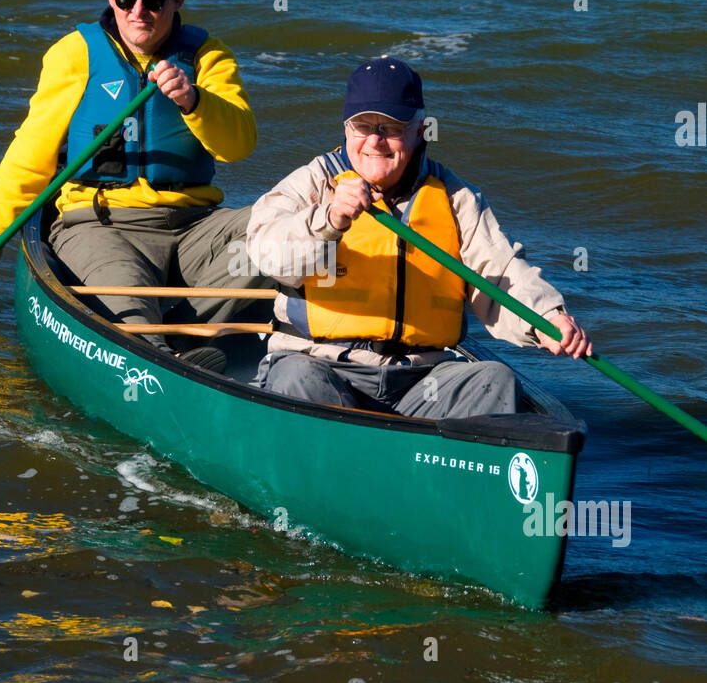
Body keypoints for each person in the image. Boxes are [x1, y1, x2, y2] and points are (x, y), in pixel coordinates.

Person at [0, 0, 269, 367]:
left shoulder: (209, 56)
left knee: (285, 227)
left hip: (194, 226)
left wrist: (194, 100)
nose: (138, 12)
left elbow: (239, 145)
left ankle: (187, 336)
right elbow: (31, 150)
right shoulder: (76, 53)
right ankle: (167, 363)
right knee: (129, 302)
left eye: (153, 0)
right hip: (100, 226)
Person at [245, 57, 592, 418]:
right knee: (297, 378)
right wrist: (329, 219)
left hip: (421, 380)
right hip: (322, 365)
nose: (375, 141)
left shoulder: (457, 197)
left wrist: (547, 319)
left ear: (420, 130)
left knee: (495, 379)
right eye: (363, 126)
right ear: (346, 129)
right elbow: (267, 253)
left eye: (391, 128)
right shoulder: (311, 183)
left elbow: (500, 272)